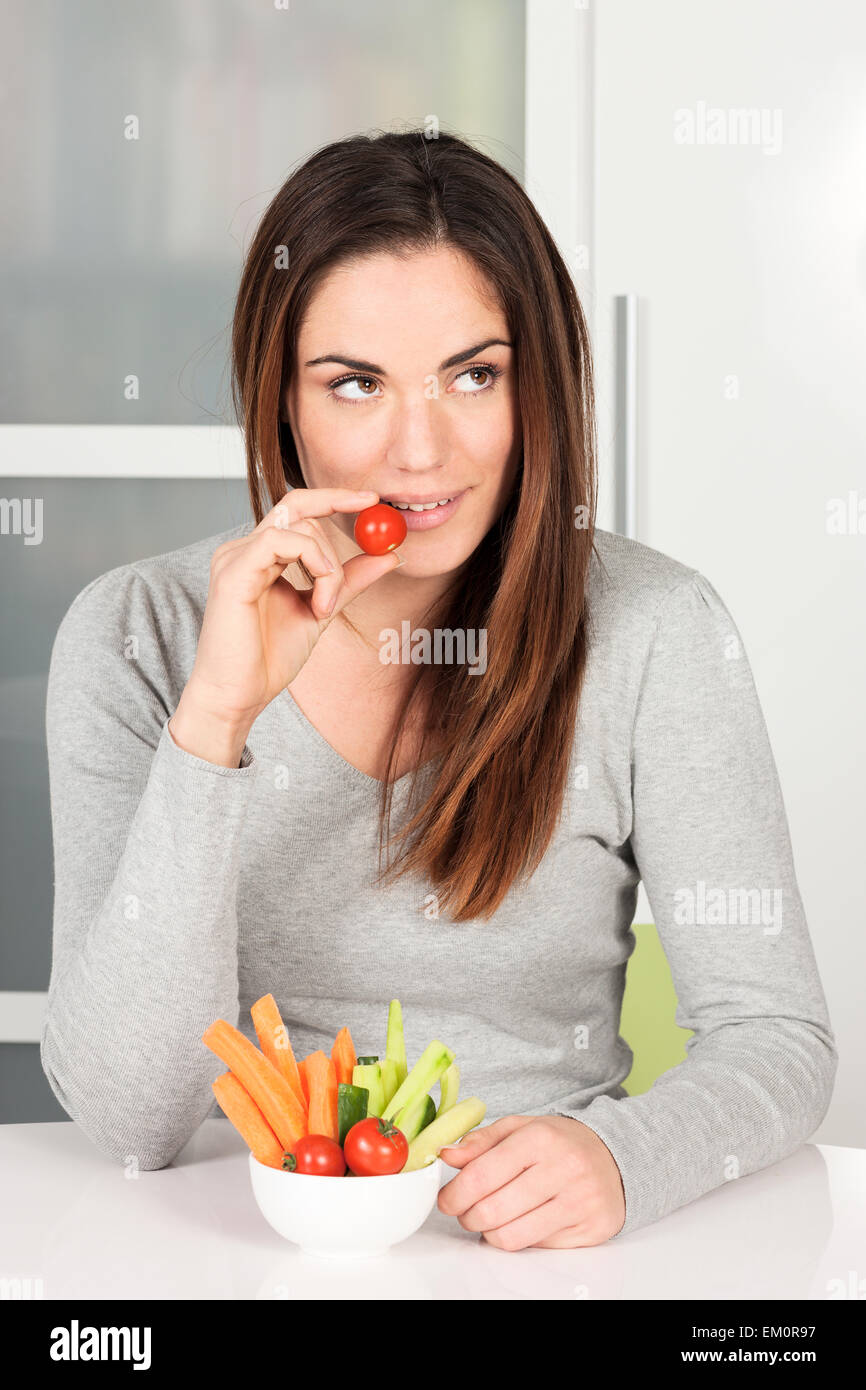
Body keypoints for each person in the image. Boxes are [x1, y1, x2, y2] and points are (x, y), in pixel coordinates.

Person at [42, 129, 836, 1250]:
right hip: (228, 1243)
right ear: (280, 399)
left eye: (473, 375)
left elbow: (776, 1036)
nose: (419, 453)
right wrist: (213, 722)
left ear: (535, 390)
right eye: (355, 384)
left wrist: (622, 1157)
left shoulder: (657, 629)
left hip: (528, 1253)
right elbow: (131, 1117)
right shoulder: (136, 635)